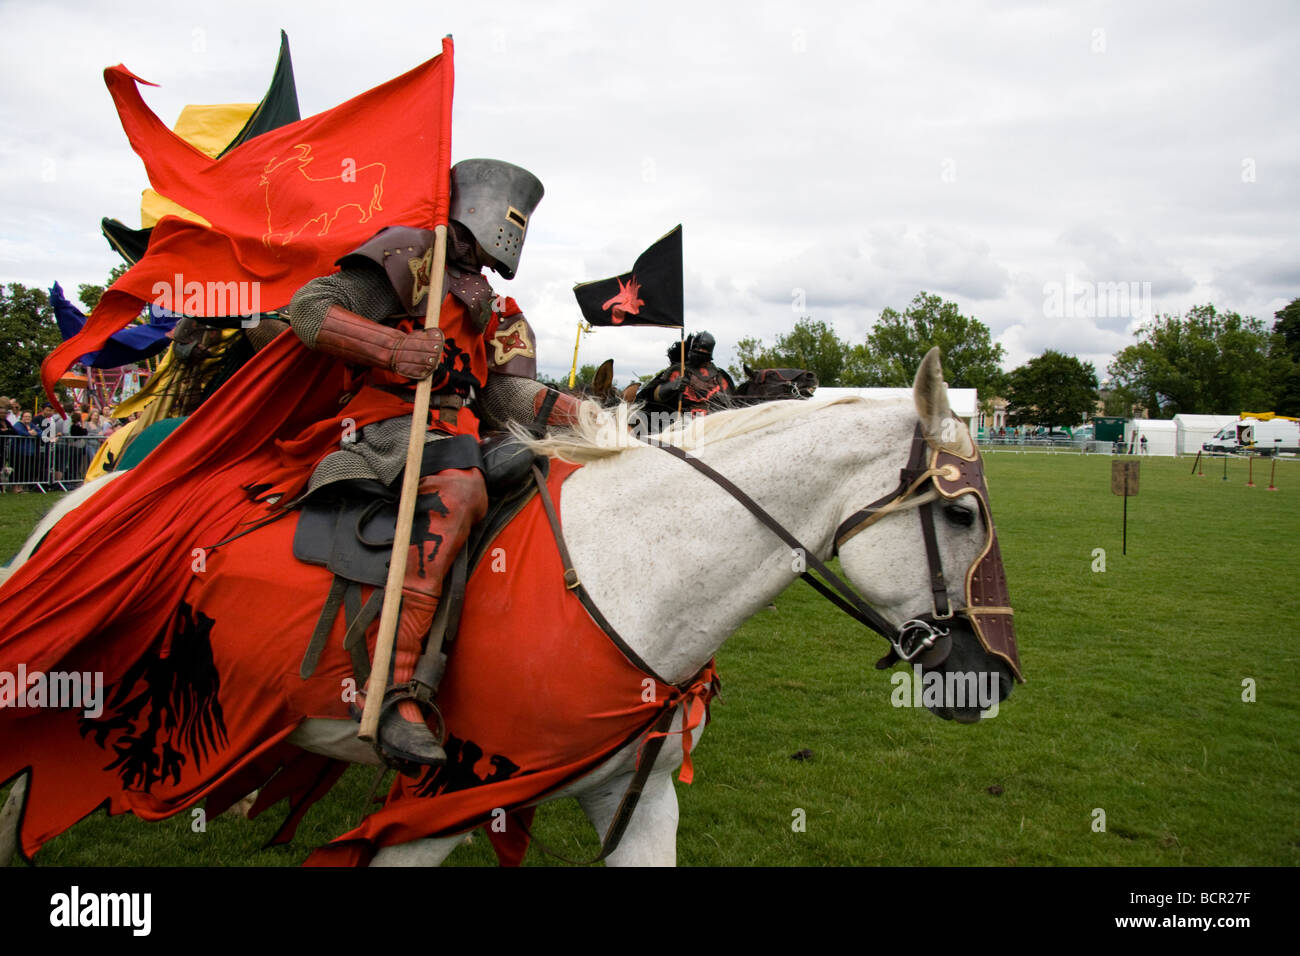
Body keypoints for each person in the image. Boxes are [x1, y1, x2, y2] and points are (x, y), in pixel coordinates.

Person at [285, 157, 580, 772]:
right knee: (460, 491)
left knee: (552, 484)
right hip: (392, 426)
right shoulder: (412, 257)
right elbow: (310, 309)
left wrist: (579, 413)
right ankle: (392, 690)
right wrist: (394, 346)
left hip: (464, 429)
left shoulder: (495, 308)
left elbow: (503, 393)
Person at [636, 331, 736, 425]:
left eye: (702, 349)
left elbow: (730, 404)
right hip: (683, 421)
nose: (699, 351)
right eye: (696, 348)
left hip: (713, 422)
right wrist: (672, 386)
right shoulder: (679, 370)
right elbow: (656, 395)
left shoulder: (720, 376)